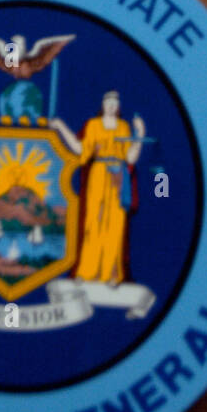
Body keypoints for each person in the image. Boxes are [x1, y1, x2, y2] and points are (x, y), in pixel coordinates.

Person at [55, 91, 146, 287]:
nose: (112, 106)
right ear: (103, 105)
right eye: (109, 102)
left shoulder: (123, 127)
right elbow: (81, 150)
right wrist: (61, 128)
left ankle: (113, 274)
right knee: (92, 223)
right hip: (97, 176)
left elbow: (130, 158)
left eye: (115, 102)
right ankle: (86, 272)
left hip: (117, 179)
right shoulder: (93, 125)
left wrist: (140, 135)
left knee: (115, 225)